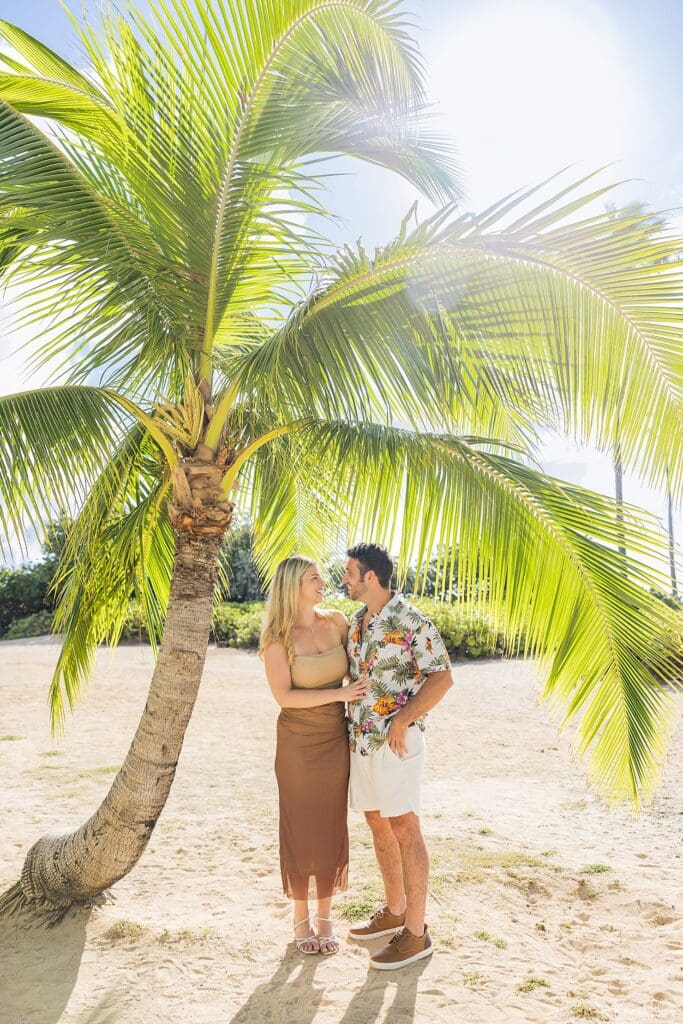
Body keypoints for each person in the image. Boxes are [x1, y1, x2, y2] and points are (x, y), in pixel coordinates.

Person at [341, 542, 454, 970]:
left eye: (350, 572)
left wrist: (405, 719)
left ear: (371, 577)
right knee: (376, 821)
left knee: (405, 826)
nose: (345, 579)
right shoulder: (356, 623)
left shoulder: (411, 619)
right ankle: (394, 911)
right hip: (362, 741)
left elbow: (442, 677)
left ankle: (416, 934)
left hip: (396, 743)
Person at [260, 556, 369, 955]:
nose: (323, 582)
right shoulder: (277, 638)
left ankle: (325, 920)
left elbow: (359, 668)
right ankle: (300, 920)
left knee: (329, 825)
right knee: (300, 826)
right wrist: (340, 694)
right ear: (294, 585)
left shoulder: (337, 621)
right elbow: (284, 697)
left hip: (334, 740)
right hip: (297, 744)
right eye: (314, 578)